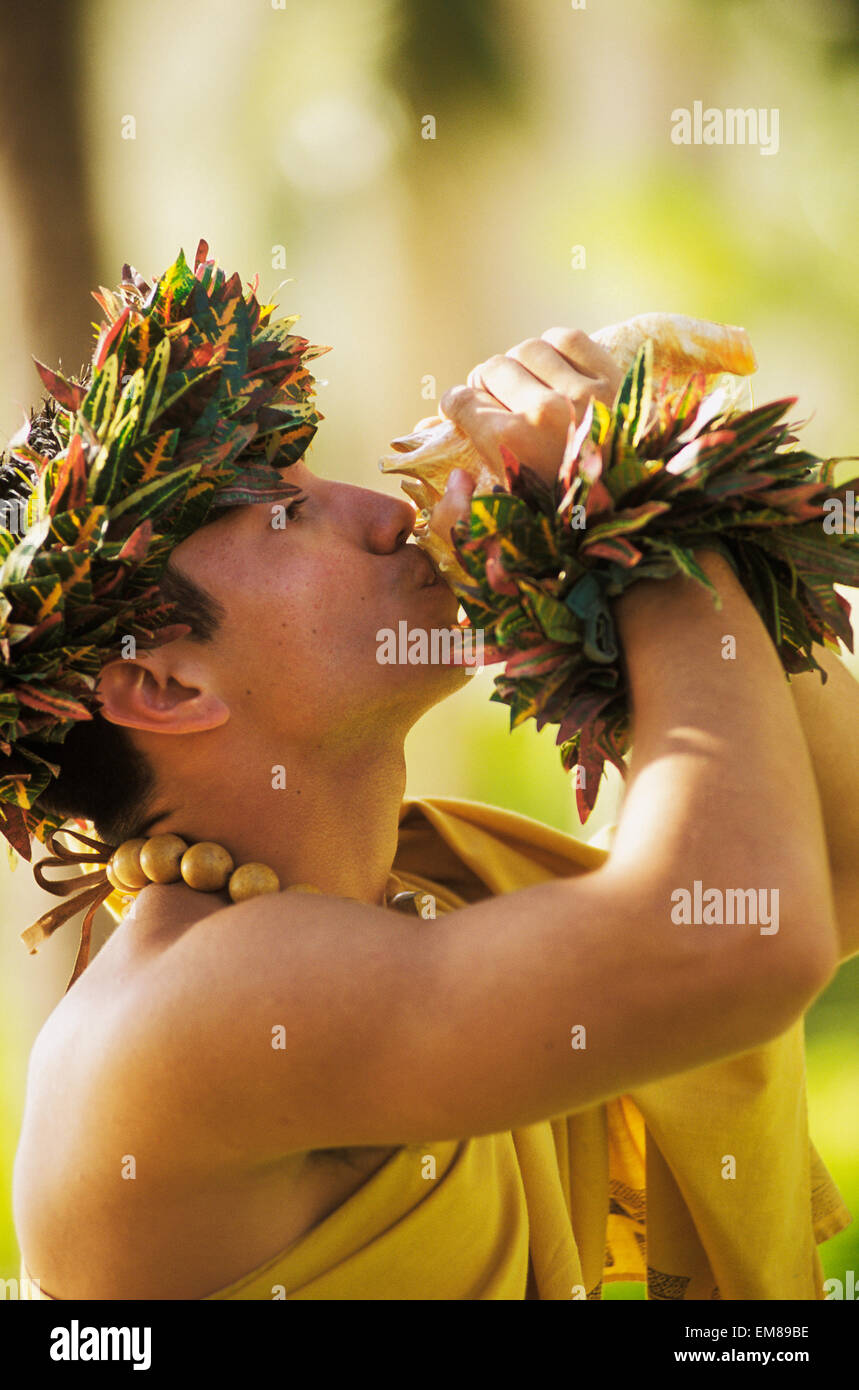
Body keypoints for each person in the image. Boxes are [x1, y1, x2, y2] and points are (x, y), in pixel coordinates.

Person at [7, 251, 856, 1300]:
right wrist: (626, 509)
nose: (383, 511)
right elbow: (744, 940)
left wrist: (675, 498)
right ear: (167, 686)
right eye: (286, 511)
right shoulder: (192, 1003)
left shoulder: (416, 897)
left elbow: (823, 861)